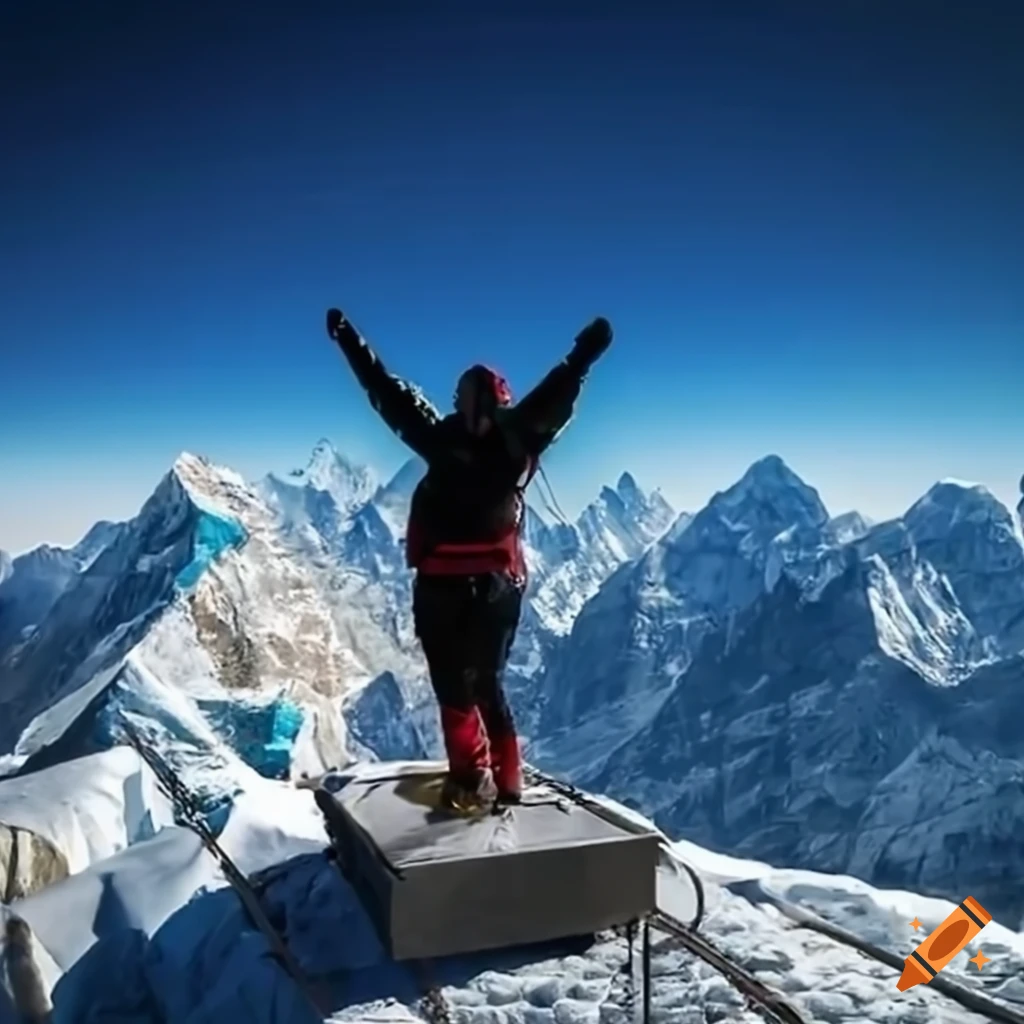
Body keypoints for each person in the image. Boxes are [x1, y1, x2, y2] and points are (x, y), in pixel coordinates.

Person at [325, 307, 613, 808]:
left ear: (465, 402)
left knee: (453, 688)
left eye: (460, 397)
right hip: (498, 585)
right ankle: (508, 783)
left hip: (440, 584)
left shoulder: (441, 440)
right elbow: (554, 397)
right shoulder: (518, 439)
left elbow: (386, 394)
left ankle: (468, 778)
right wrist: (581, 358)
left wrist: (350, 341)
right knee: (487, 685)